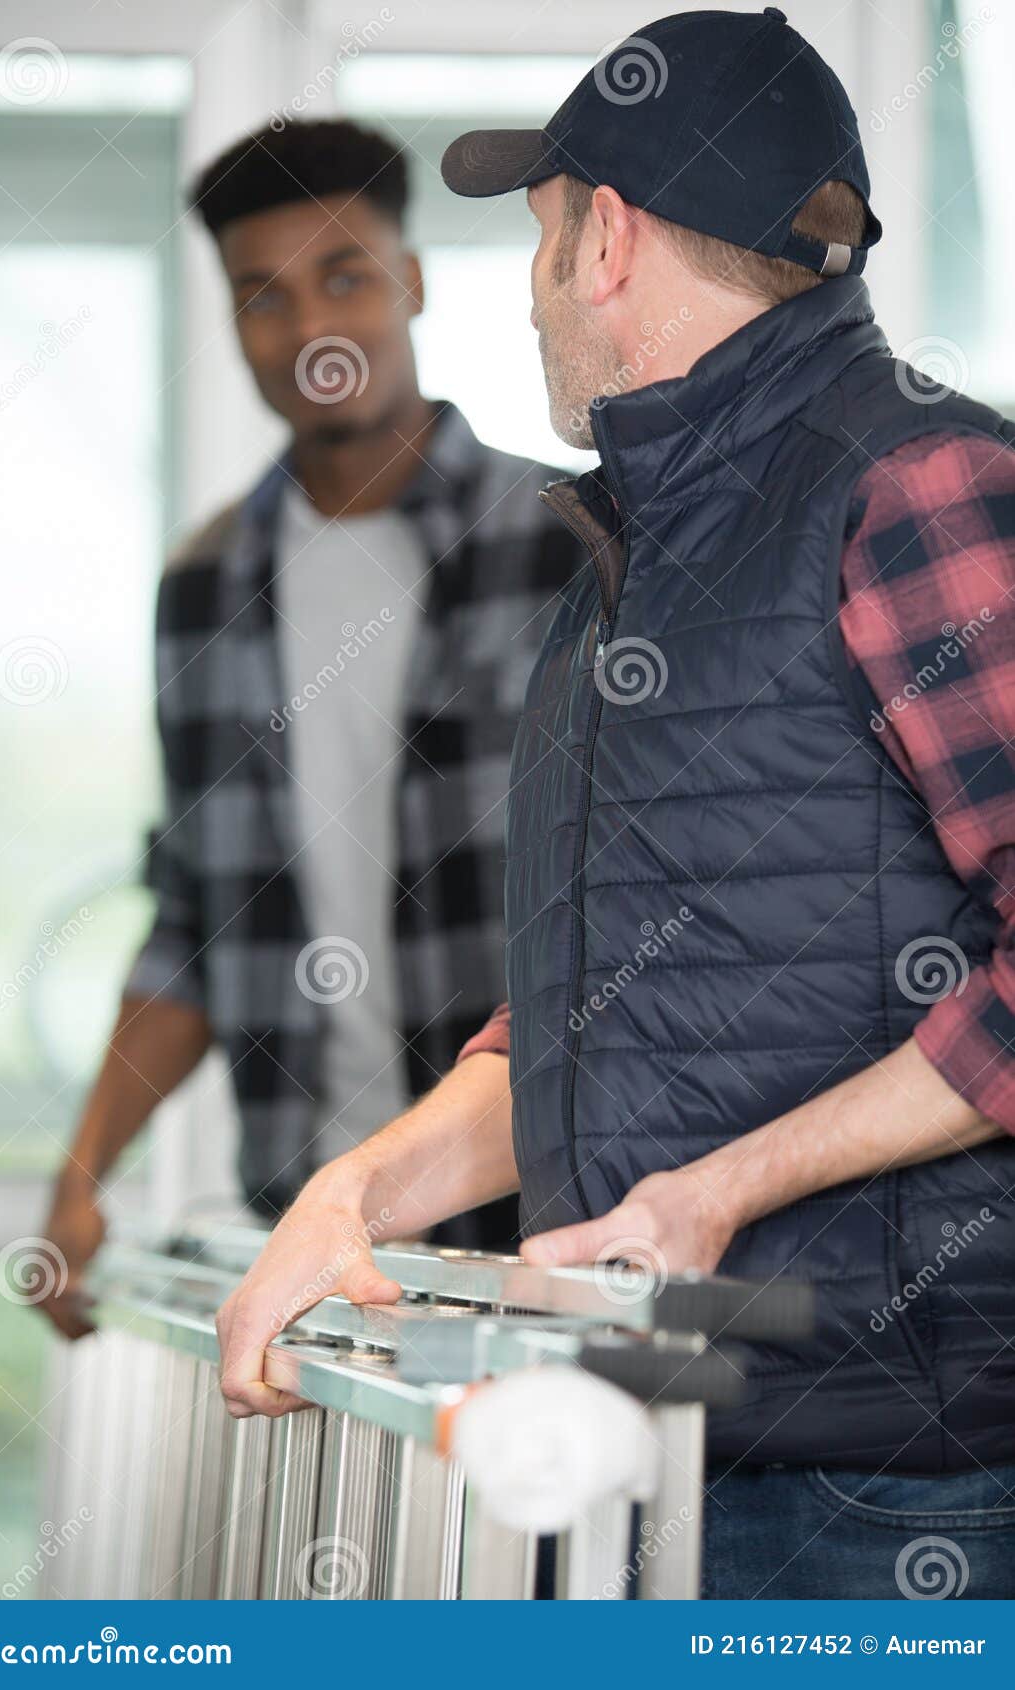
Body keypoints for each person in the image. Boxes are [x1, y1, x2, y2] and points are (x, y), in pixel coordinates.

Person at [215, 12, 1015, 1598]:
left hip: (895, 1492)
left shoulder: (917, 484)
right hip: (662, 1453)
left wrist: (716, 1194)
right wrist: (352, 1193)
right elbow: (581, 1021)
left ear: (604, 238)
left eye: (530, 241)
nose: (523, 298)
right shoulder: (626, 562)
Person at [37, 118, 584, 1340]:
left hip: (547, 1221)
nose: (309, 330)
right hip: (310, 1252)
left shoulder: (572, 541)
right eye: (260, 297)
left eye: (345, 276)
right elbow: (191, 917)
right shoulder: (203, 585)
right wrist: (80, 1178)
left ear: (415, 282)